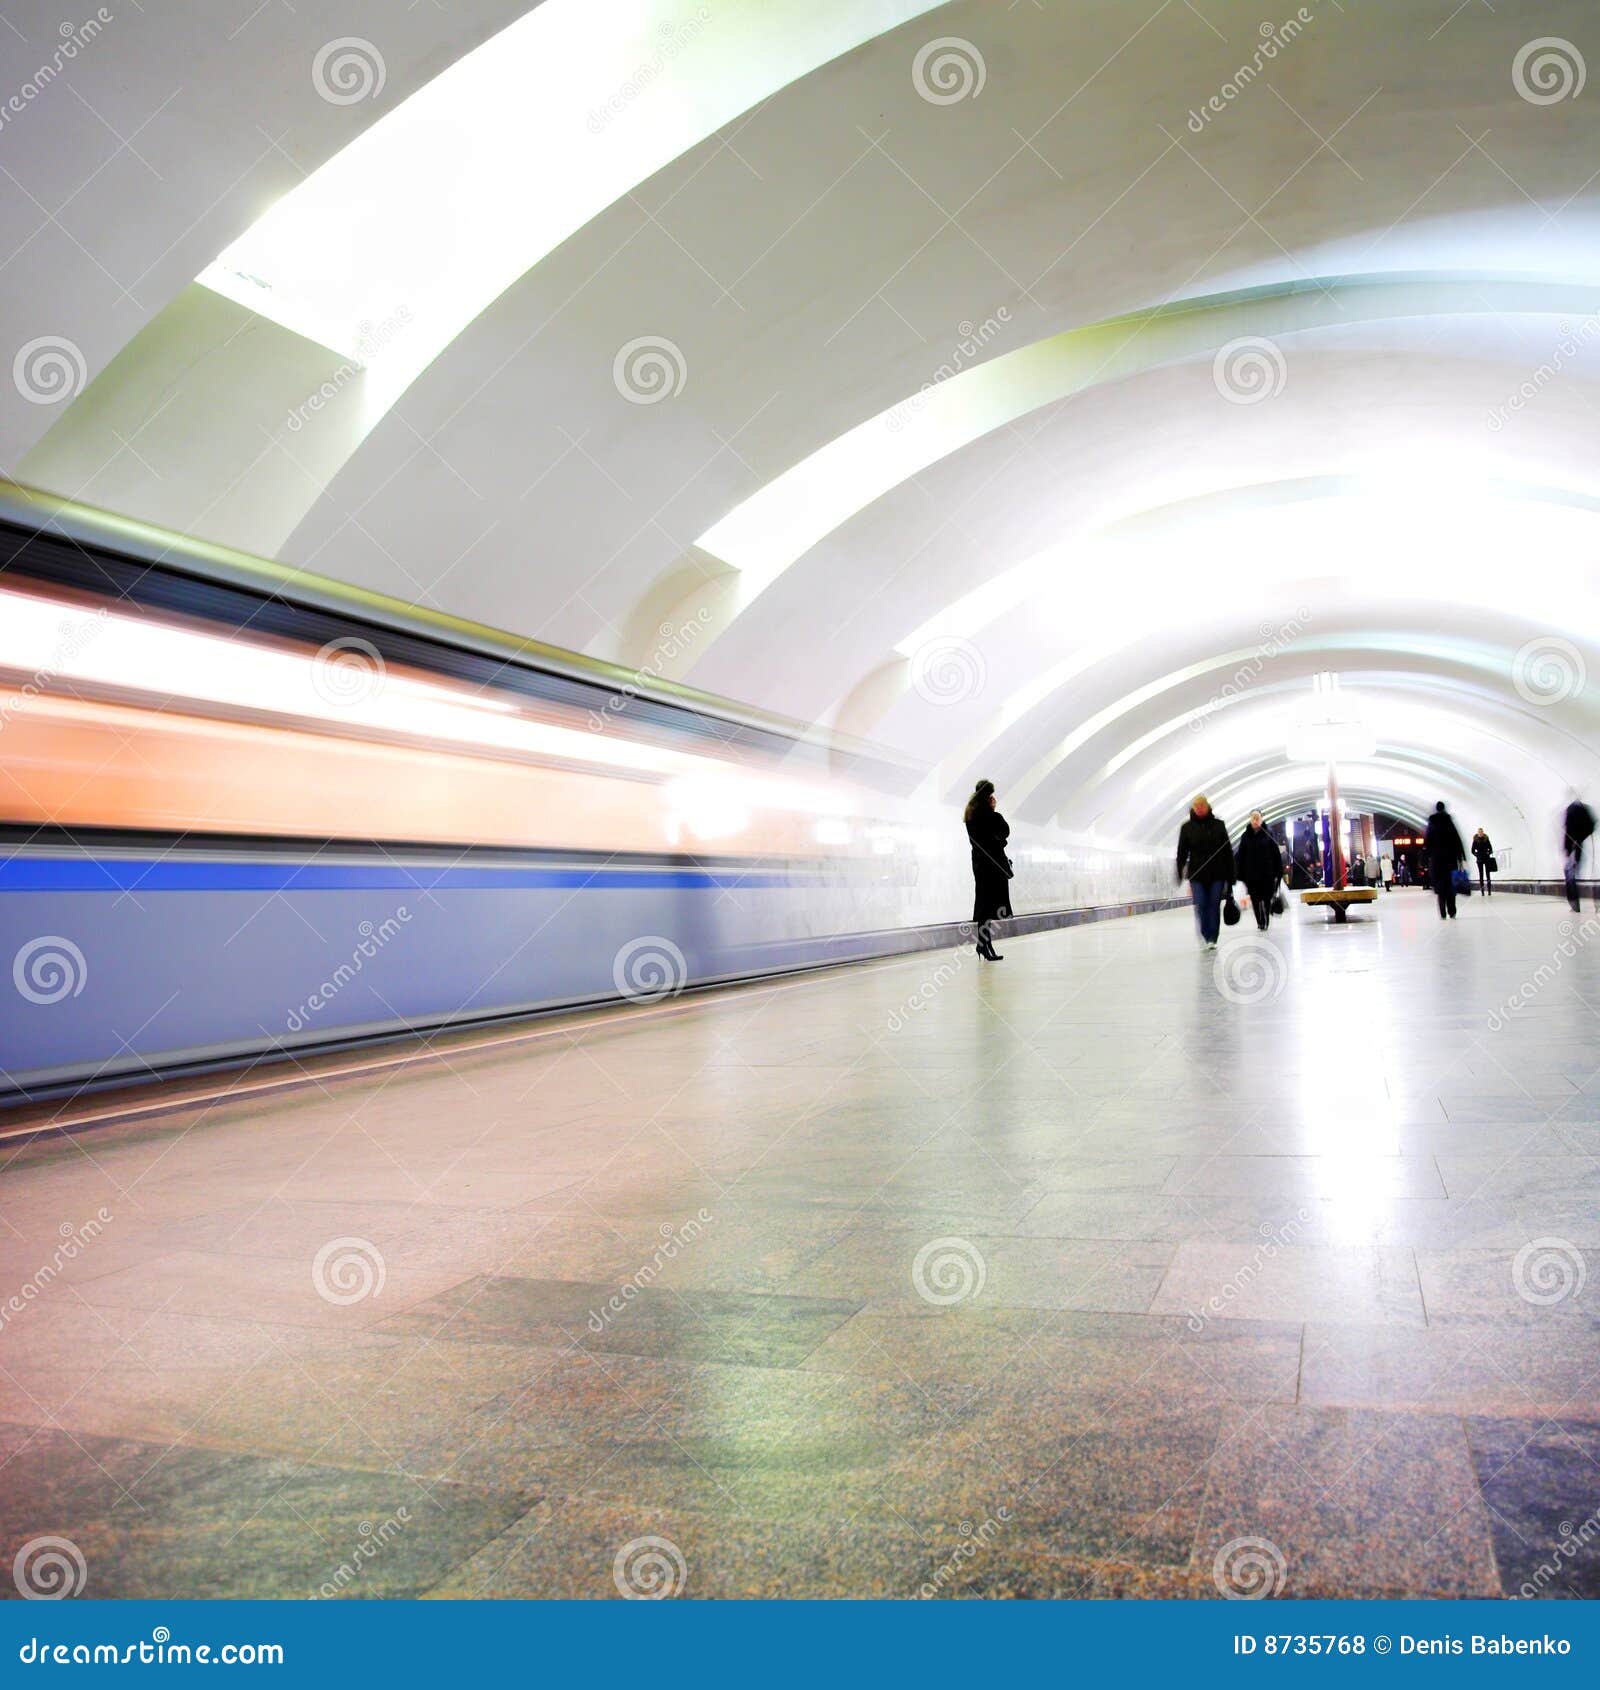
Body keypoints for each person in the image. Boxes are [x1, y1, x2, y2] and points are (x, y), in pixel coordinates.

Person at [1176, 794, 1236, 949]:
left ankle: (1213, 938)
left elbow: (1227, 851)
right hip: (1197, 874)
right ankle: (1204, 933)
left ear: (1207, 806)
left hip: (1217, 873)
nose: (1200, 809)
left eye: (1202, 806)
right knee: (1201, 904)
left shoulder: (1218, 825)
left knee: (1214, 905)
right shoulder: (1187, 828)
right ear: (1194, 809)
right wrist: (1179, 870)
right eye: (1197, 807)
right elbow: (1182, 852)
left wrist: (1231, 875)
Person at [963, 779, 1011, 961]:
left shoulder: (970, 814)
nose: (993, 798)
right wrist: (993, 810)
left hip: (980, 864)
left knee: (985, 905)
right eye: (991, 795)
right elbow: (1004, 831)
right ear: (987, 796)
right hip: (993, 866)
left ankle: (984, 944)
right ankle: (983, 944)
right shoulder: (989, 815)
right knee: (989, 907)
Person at [1236, 810, 1285, 932]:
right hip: (1251, 874)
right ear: (1250, 820)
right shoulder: (1245, 836)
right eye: (1253, 818)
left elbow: (1275, 854)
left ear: (1261, 819)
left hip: (1267, 873)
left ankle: (1266, 917)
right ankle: (1260, 920)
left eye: (1257, 818)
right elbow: (1240, 855)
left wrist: (1278, 871)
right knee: (1255, 899)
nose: (1255, 820)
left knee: (1267, 898)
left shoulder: (1269, 833)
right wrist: (1238, 873)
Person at [1425, 800, 1466, 920]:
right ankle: (1452, 910)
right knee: (1450, 885)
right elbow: (1457, 839)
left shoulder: (1432, 822)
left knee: (1440, 886)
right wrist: (1461, 856)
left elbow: (1427, 841)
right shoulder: (1449, 821)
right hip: (1450, 859)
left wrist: (1428, 856)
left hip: (1437, 860)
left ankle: (1442, 911)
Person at [1563, 793, 1595, 913]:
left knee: (1569, 874)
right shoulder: (1585, 809)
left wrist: (1569, 847)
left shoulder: (1571, 809)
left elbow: (1567, 830)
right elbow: (1592, 826)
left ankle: (1574, 902)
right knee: (1572, 873)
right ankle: (1574, 901)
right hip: (1579, 846)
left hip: (1573, 847)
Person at [1471, 827, 1494, 897]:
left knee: (1488, 874)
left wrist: (1488, 853)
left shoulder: (1486, 839)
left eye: (1481, 832)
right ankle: (1482, 891)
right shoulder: (1475, 840)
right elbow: (1472, 850)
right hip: (1479, 859)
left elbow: (1491, 849)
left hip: (1486, 859)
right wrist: (1477, 855)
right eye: (1479, 832)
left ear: (1483, 832)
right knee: (1481, 875)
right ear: (1478, 833)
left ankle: (1489, 891)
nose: (1480, 833)